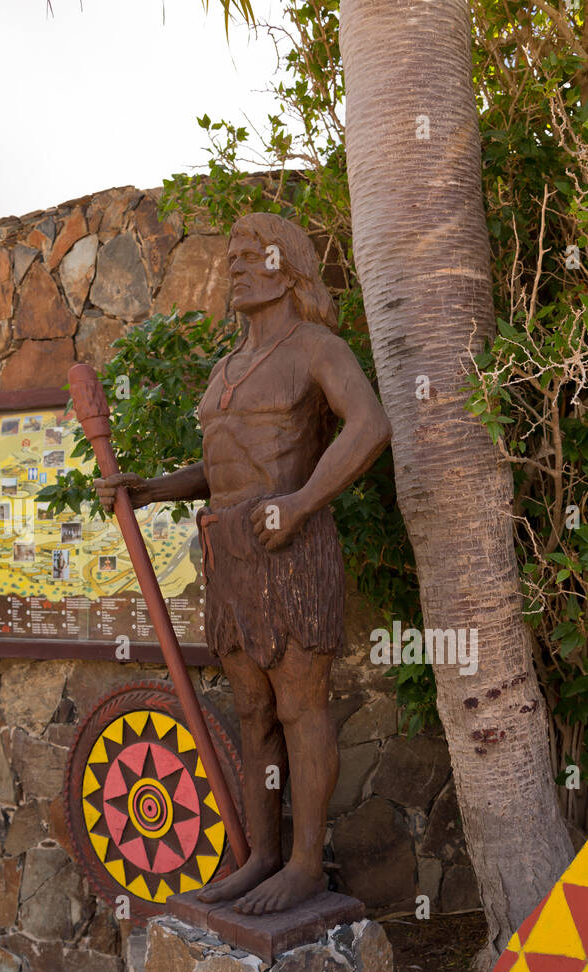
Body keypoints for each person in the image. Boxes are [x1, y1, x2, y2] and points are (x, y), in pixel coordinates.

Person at [96, 213, 391, 915]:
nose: (235, 267)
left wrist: (300, 503)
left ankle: (306, 865)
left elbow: (370, 425)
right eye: (230, 257)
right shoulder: (226, 369)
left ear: (288, 268)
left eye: (251, 256)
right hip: (228, 555)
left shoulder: (316, 349)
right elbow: (223, 466)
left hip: (290, 551)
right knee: (254, 710)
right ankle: (262, 856)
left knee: (299, 706)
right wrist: (154, 488)